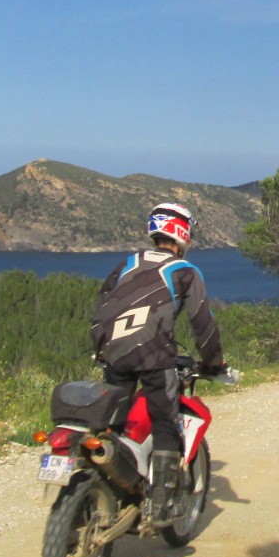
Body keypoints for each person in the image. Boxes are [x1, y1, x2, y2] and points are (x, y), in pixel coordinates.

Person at [90, 201, 226, 523]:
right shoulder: (184, 271)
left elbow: (100, 309)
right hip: (154, 358)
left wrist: (101, 349)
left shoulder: (126, 264)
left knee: (115, 422)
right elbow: (203, 325)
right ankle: (160, 507)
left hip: (115, 356)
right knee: (165, 422)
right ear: (182, 233)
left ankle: (114, 487)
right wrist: (213, 364)